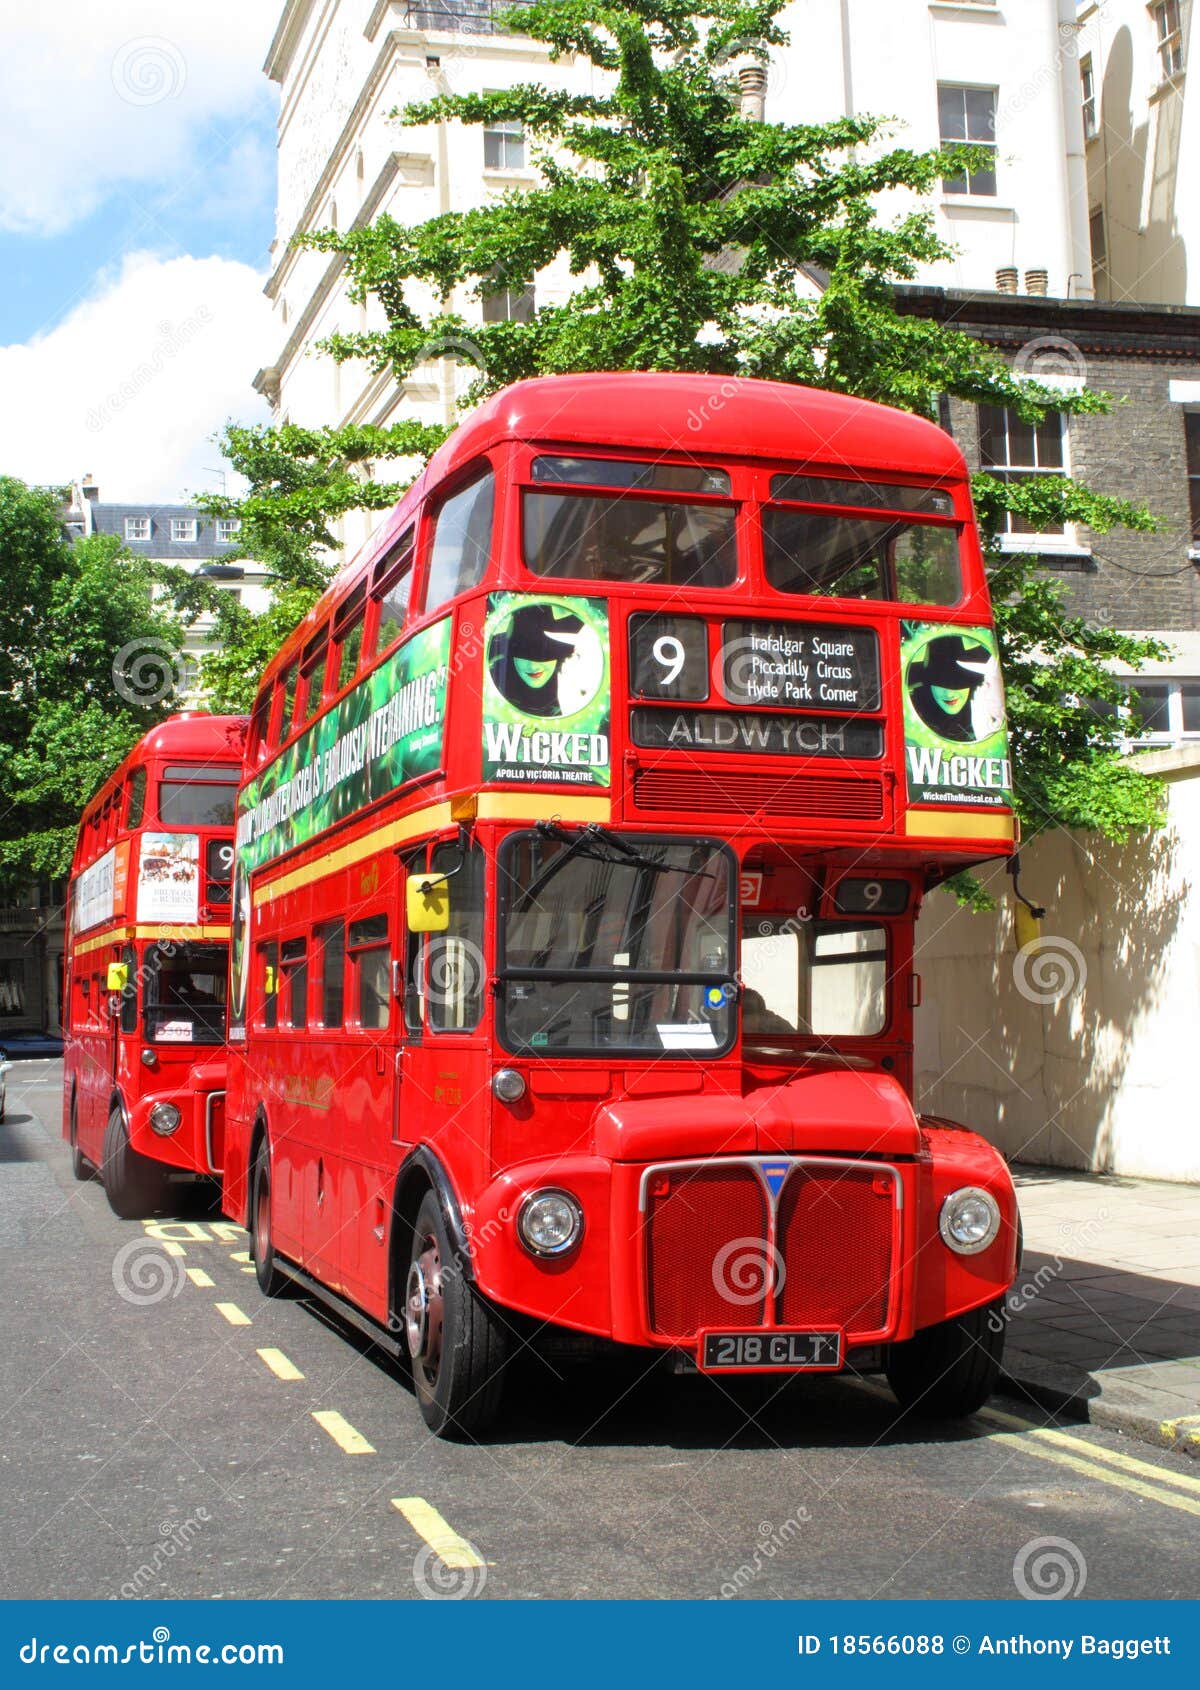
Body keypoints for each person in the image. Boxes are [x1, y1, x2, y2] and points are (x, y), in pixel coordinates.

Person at [906, 633, 991, 742]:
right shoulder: (910, 721)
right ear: (927, 685)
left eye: (959, 683)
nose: (949, 694)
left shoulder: (986, 726)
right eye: (939, 683)